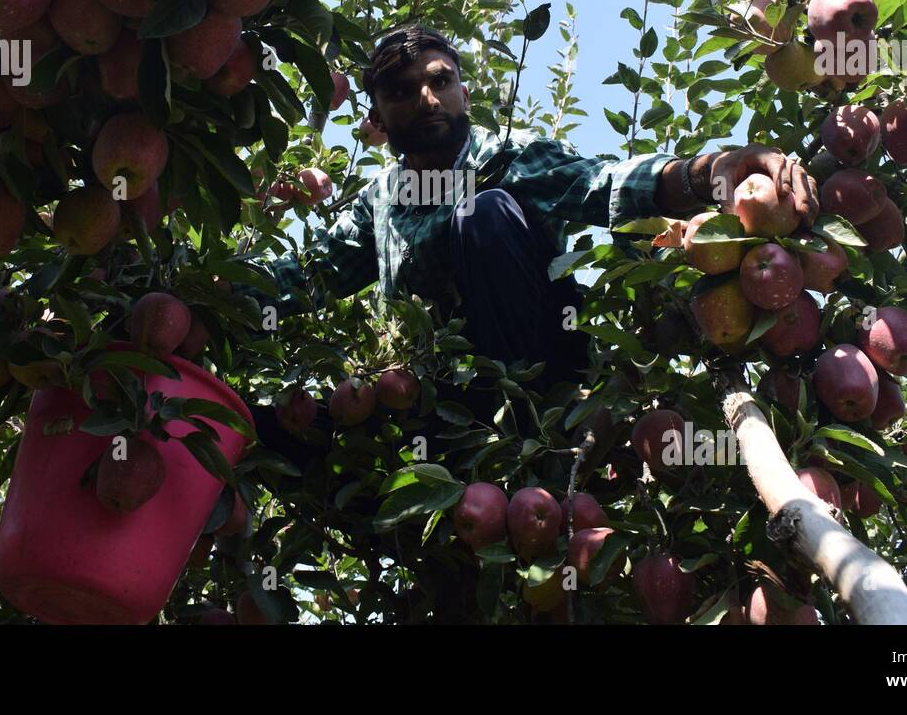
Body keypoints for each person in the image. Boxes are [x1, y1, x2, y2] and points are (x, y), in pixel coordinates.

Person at [236, 24, 819, 454]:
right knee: (281, 425)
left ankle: (531, 428)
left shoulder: (510, 158)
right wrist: (216, 296)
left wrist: (712, 171)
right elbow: (307, 277)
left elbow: (606, 184)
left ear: (464, 92)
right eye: (402, 91)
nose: (427, 98)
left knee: (484, 212)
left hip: (542, 383)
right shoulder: (379, 202)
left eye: (441, 81)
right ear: (380, 118)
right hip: (435, 411)